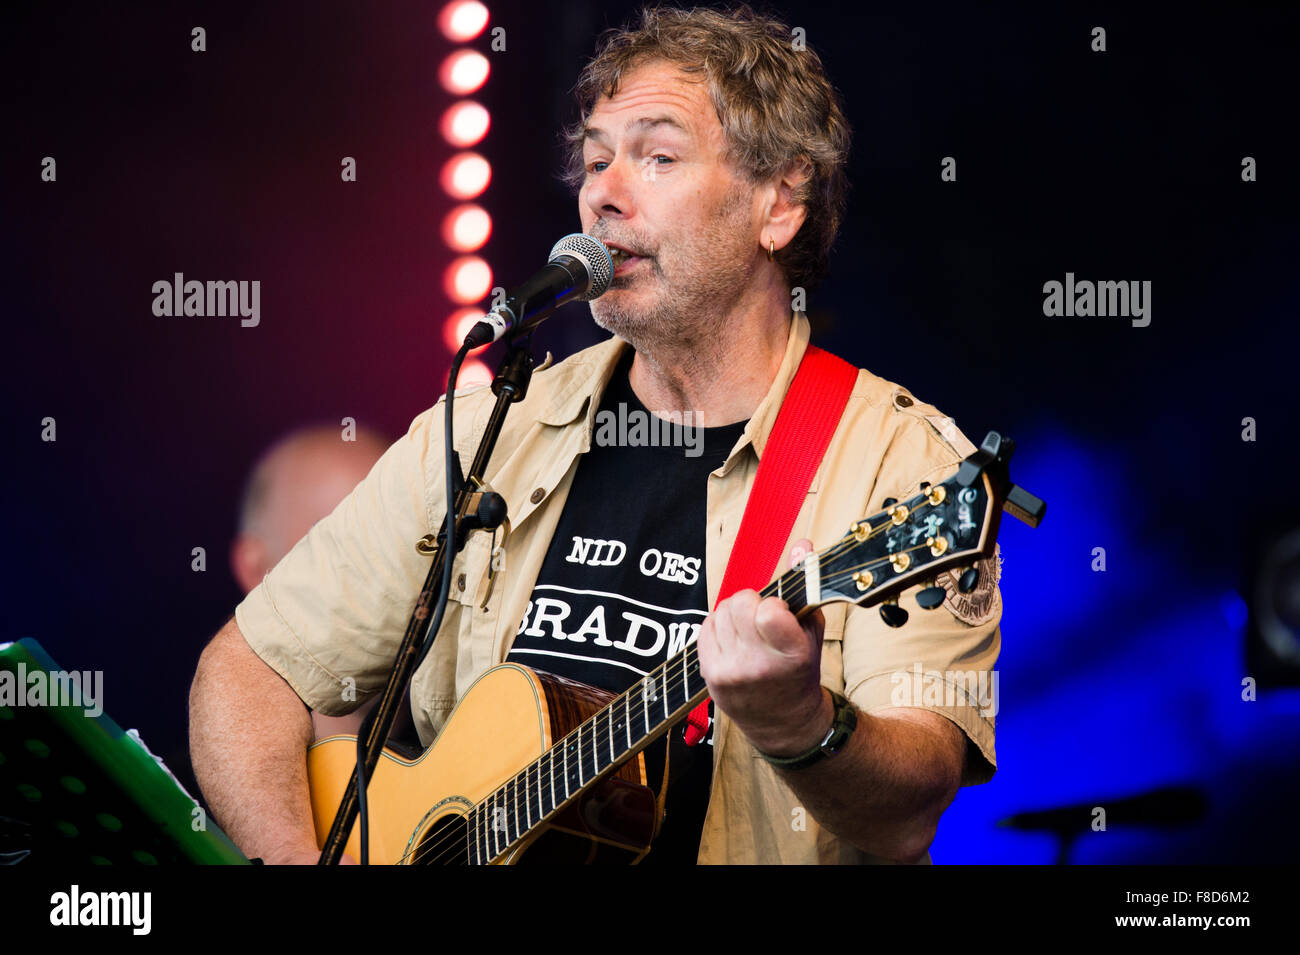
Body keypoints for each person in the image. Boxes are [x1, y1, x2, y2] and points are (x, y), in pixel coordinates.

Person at [189, 4, 1001, 865]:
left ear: (780, 203)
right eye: (597, 158)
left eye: (657, 155)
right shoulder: (486, 428)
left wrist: (803, 722)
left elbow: (905, 814)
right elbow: (248, 671)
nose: (603, 193)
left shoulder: (904, 465)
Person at [228, 424, 393, 742]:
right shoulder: (177, 790)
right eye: (333, 537)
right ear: (256, 569)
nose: (380, 567)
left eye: (397, 533)